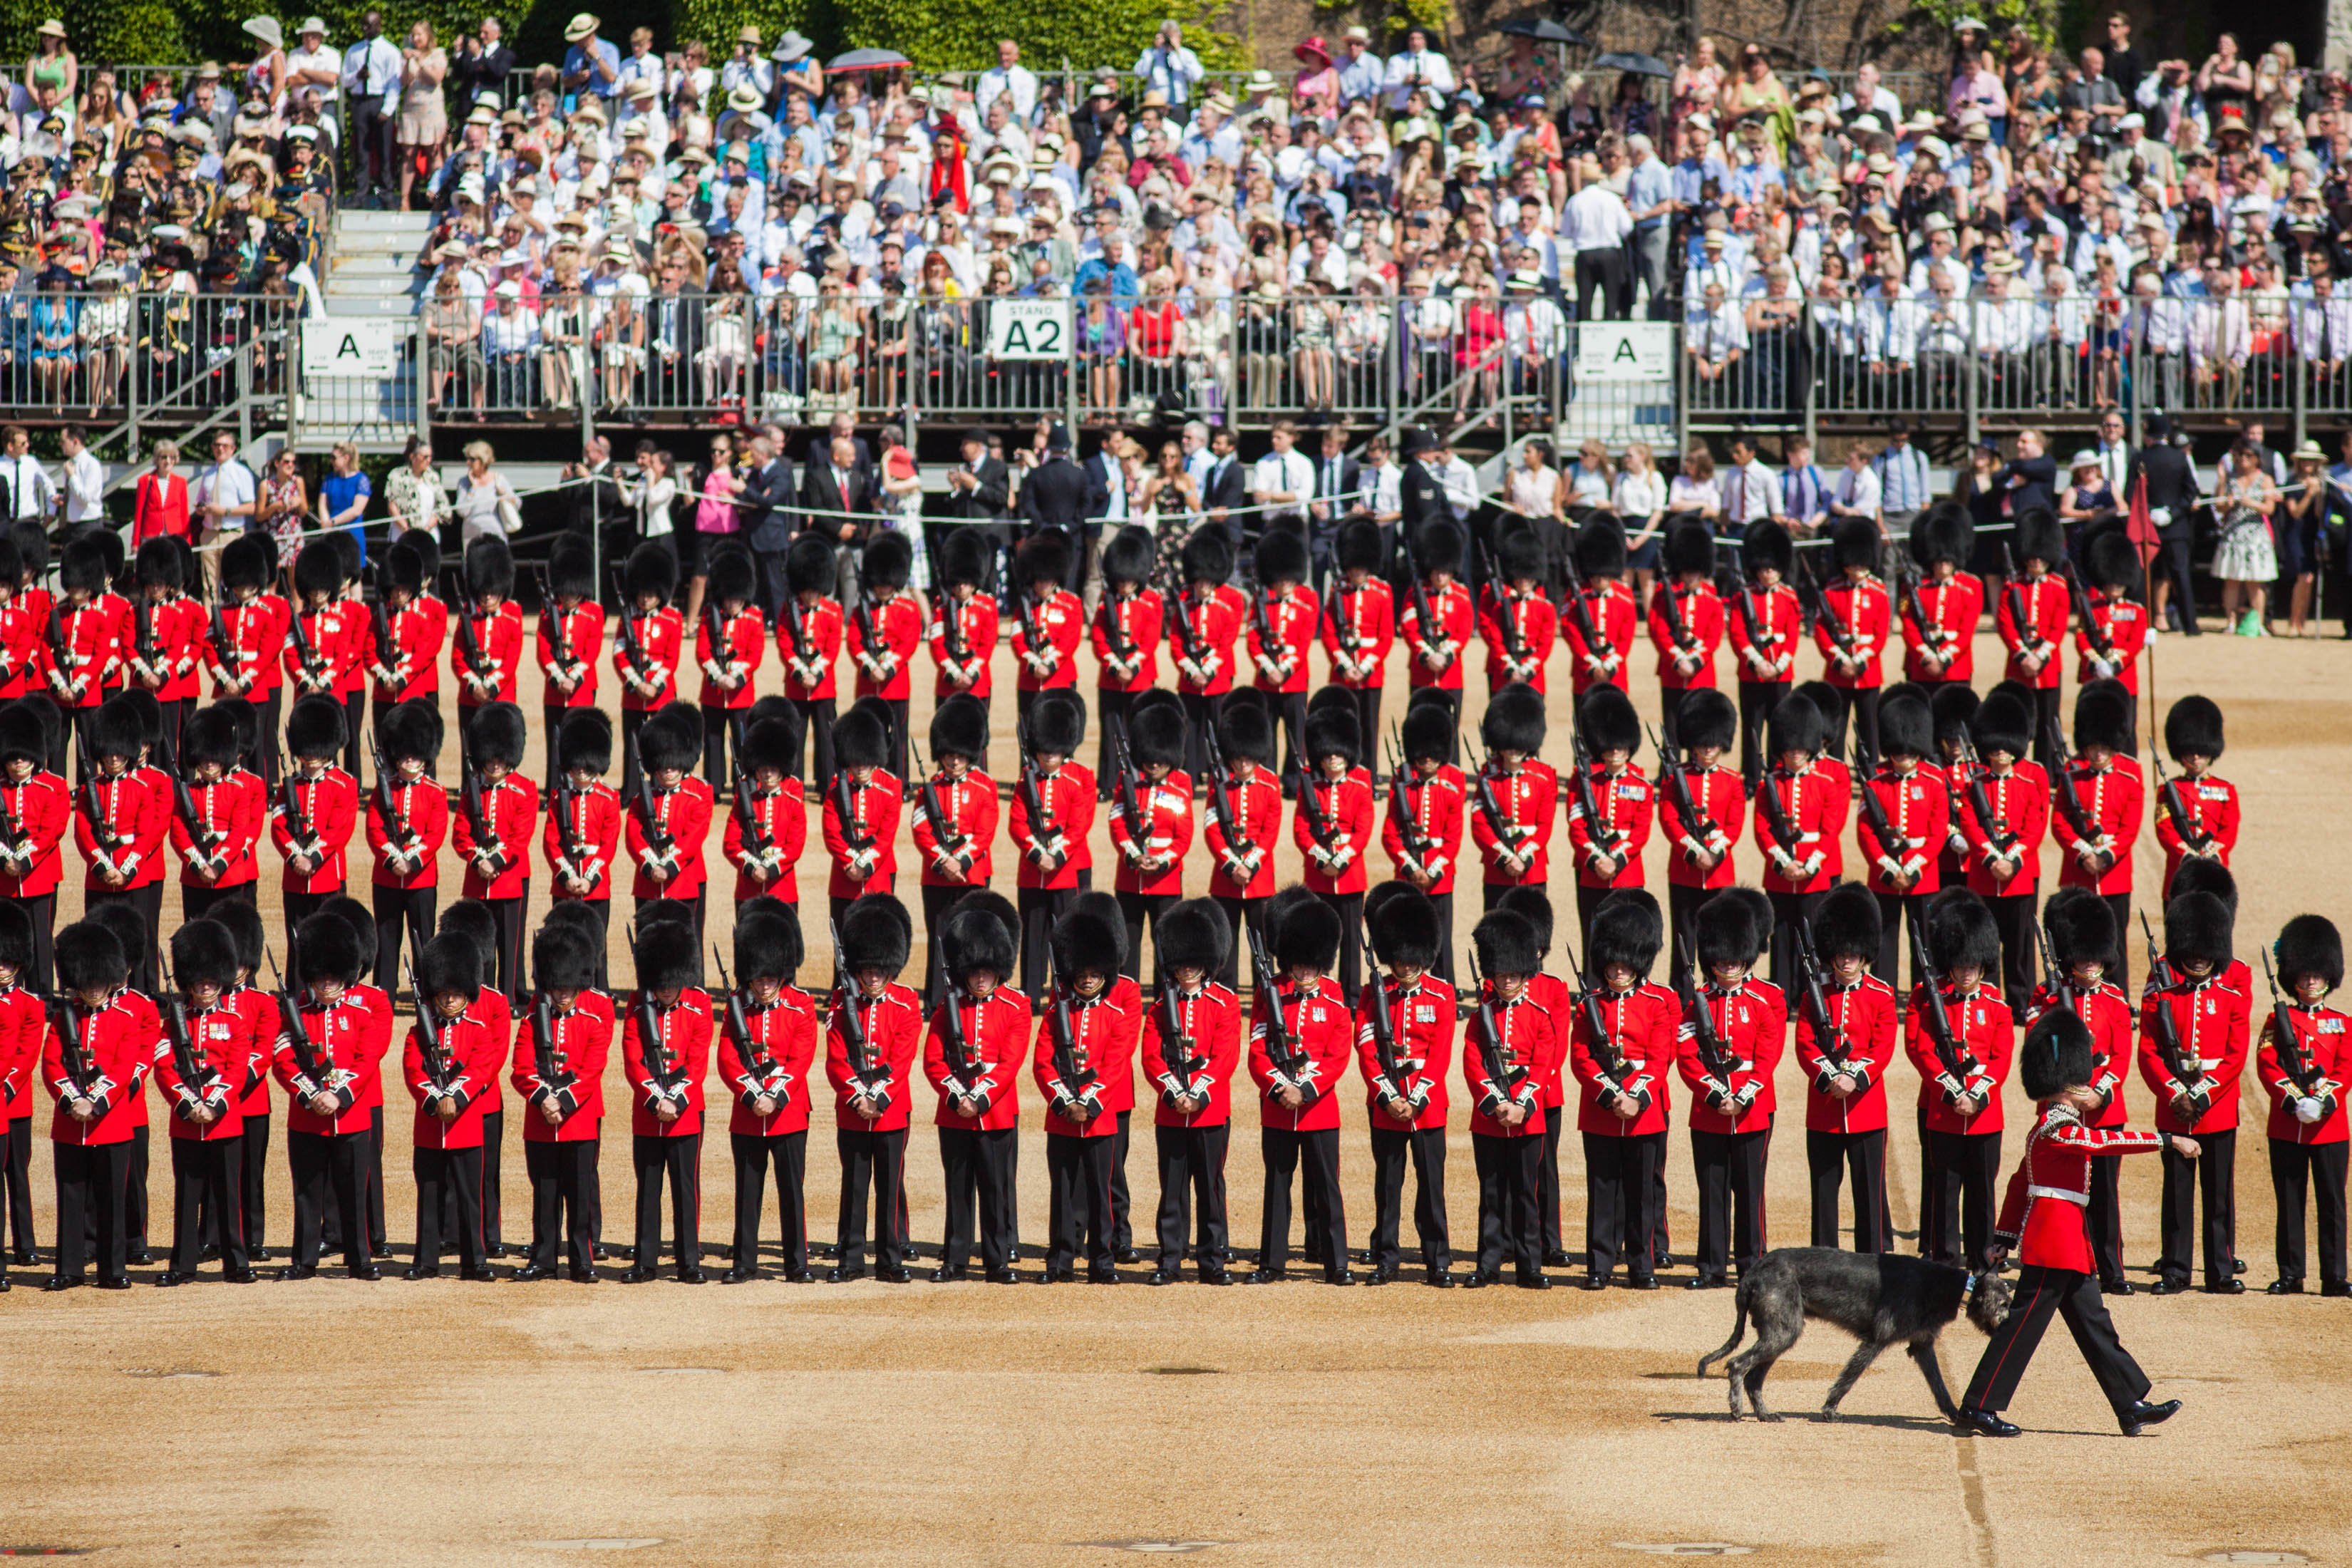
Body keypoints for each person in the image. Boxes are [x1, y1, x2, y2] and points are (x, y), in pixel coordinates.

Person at [1952, 1007, 2185, 1440]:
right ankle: (1978, 1406)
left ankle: (2130, 1403)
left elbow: (2021, 1183)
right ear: (2070, 1086)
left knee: (2094, 1323)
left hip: (2066, 1239)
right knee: (2022, 1326)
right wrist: (2166, 1140)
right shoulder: (2058, 1128)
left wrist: (2003, 1236)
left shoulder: (2050, 1127)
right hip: (2053, 1240)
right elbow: (2103, 1142)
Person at [2140, 888, 2249, 1295]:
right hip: (2174, 1109)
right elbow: (2149, 1052)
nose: (2200, 958)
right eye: (2193, 949)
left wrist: (2202, 1094)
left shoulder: (2229, 996)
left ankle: (2220, 1270)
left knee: (2219, 1196)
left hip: (2217, 1109)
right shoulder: (2161, 994)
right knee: (2177, 1195)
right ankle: (2175, 1269)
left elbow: (2235, 1056)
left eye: (2206, 951)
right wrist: (2174, 1093)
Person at [2028, 889, 2137, 1291]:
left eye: (2094, 957)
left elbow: (2122, 1055)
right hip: (2063, 1111)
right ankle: (2072, 1266)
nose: (2089, 964)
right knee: (2061, 1193)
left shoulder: (2114, 999)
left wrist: (2100, 1092)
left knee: (2105, 1194)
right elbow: (2037, 1044)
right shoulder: (2049, 995)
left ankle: (2111, 1269)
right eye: (2082, 956)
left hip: (2104, 1110)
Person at [1569, 890, 1676, 1289]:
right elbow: (1580, 1055)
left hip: (1642, 1111)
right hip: (1602, 1110)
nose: (1616, 972)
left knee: (1641, 1194)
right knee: (1602, 1190)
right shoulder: (1589, 1005)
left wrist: (1634, 1096)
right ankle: (1599, 1266)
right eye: (1611, 965)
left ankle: (1641, 1266)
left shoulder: (1656, 1003)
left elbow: (1658, 1056)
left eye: (1624, 964)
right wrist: (1609, 1094)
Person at [272, 912, 386, 1281]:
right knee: (307, 1192)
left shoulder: (359, 1012)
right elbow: (283, 1059)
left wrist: (338, 1095)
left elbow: (368, 1058)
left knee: (353, 1191)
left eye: (333, 976)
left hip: (350, 1114)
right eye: (320, 977)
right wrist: (311, 1095)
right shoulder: (297, 1014)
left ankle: (359, 1259)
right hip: (307, 1117)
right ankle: (304, 1260)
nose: (327, 983)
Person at [1678, 889, 1783, 1288]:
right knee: (1713, 1191)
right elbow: (1687, 1052)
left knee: (1750, 1192)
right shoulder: (1699, 1001)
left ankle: (1751, 1266)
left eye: (1734, 960)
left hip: (1750, 1108)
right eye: (1721, 962)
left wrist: (1743, 1094)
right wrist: (1712, 1092)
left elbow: (1768, 1054)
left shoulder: (1761, 1002)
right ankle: (1711, 1266)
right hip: (1710, 1110)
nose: (1728, 967)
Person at [1247, 889, 1353, 1285]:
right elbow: (1258, 1047)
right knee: (1277, 1187)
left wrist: (1304, 1090)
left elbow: (1337, 1055)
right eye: (1299, 965)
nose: (1305, 971)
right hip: (1277, 1107)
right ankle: (1272, 1263)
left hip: (1318, 1109)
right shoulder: (1270, 991)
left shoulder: (1336, 996)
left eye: (1312, 965)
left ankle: (1336, 1262)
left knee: (1327, 1188)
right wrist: (1279, 1087)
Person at [1908, 889, 2016, 1272]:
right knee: (1945, 1192)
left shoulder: (1997, 1007)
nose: (1967, 971)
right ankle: (1945, 1261)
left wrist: (1977, 1096)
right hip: (1946, 1111)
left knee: (1982, 1193)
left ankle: (1982, 1260)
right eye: (1961, 965)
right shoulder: (1933, 1001)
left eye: (1973, 965)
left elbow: (2000, 1060)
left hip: (1985, 1114)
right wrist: (1953, 1092)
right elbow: (1922, 1051)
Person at [1033, 894, 1138, 1284]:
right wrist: (1065, 1100)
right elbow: (1044, 1060)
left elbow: (1117, 1058)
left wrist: (1089, 1102)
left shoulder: (1119, 999)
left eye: (1095, 971)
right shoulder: (1058, 1004)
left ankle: (1105, 1257)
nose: (1088, 977)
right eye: (1082, 970)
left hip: (1102, 1108)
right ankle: (1061, 1258)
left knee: (1105, 1187)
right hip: (1064, 1113)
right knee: (1063, 1192)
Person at [924, 897, 1028, 1284]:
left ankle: (996, 1259)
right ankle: (955, 1258)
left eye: (987, 970)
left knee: (995, 1188)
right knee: (958, 1189)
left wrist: (980, 1097)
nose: (981, 978)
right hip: (955, 1112)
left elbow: (1010, 1062)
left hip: (996, 1112)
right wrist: (957, 1096)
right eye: (975, 971)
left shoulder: (1016, 1006)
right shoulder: (946, 1007)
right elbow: (933, 1060)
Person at [824, 895, 921, 1282]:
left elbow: (902, 1058)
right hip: (852, 1109)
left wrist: (877, 1097)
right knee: (854, 1185)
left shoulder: (906, 1002)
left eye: (880, 968)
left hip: (891, 1110)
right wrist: (856, 1097)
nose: (873, 975)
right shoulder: (840, 1002)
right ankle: (850, 1259)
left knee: (889, 1186)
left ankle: (890, 1259)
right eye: (867, 968)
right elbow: (835, 1058)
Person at [43, 921, 145, 1290]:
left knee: (112, 1199)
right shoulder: (62, 1018)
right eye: (87, 983)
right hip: (71, 1122)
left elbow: (123, 1068)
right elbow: (52, 1064)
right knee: (71, 1197)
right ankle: (69, 1268)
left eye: (99, 982)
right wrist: (72, 1099)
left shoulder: (126, 1020)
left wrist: (95, 1102)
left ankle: (113, 1269)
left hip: (110, 1122)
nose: (93, 989)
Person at [2256, 915, 2350, 1296]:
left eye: (2317, 974)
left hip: (2330, 1126)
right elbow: (2266, 1062)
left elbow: (2346, 1068)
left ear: (2329, 977)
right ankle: (2292, 1272)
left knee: (2332, 1202)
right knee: (2290, 1201)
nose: (2310, 981)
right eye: (2304, 974)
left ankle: (2335, 1275)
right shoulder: (2278, 1019)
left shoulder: (2342, 1023)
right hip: (2288, 1124)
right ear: (2292, 976)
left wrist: (2323, 1099)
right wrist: (2293, 1097)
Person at [617, 910, 708, 1284]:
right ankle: (646, 1261)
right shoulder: (638, 1004)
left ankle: (689, 1261)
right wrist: (656, 1099)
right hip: (648, 1111)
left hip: (685, 1112)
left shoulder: (699, 1005)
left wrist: (675, 1100)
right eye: (660, 981)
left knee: (686, 1189)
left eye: (671, 981)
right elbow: (632, 1057)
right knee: (649, 1189)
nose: (666, 988)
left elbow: (697, 1061)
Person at [1953, 691, 2048, 1010]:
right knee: (1984, 942)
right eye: (1995, 746)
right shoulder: (1973, 784)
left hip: (2020, 874)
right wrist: (1992, 857)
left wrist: (2013, 857)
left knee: (2021, 944)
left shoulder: (2030, 780)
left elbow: (2036, 824)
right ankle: (1988, 999)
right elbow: (1969, 822)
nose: (2002, 752)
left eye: (2007, 745)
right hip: (1985, 872)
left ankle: (2022, 1002)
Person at [2152, 696, 2237, 898]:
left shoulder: (2225, 790)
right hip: (2180, 872)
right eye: (2190, 752)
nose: (2195, 757)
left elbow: (2229, 829)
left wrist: (2213, 852)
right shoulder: (2168, 790)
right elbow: (2164, 827)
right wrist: (2185, 852)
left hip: (2215, 871)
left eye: (2201, 752)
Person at [2211, 438, 2279, 636]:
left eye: (2248, 455)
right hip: (2233, 533)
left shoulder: (2265, 479)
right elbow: (2218, 506)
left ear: (2257, 458)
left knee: (2255, 582)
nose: (2243, 459)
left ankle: (2258, 623)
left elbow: (2270, 508)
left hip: (2256, 534)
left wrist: (2250, 503)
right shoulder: (2231, 478)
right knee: (2231, 580)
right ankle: (2231, 621)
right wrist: (2227, 499)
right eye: (2239, 455)